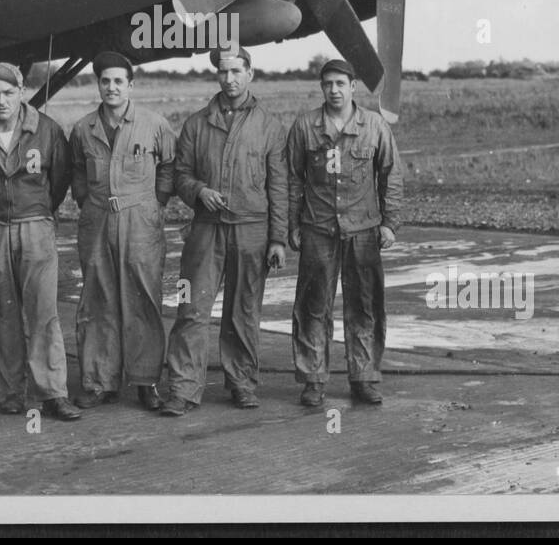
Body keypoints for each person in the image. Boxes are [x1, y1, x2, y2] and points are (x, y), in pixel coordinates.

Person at [161, 46, 287, 416]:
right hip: (206, 230)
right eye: (223, 72)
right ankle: (183, 389)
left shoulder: (270, 126)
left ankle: (242, 384)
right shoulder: (197, 123)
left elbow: (279, 187)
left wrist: (278, 238)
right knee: (191, 309)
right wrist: (199, 191)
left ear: (250, 73)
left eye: (236, 71)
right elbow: (180, 174)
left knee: (244, 311)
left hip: (252, 231)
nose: (229, 79)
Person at [0, 62, 81, 421]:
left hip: (35, 227)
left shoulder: (46, 130)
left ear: (22, 92)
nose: (1, 100)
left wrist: (37, 210)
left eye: (9, 93)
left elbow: (60, 179)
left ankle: (53, 392)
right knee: (0, 311)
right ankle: (12, 390)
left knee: (44, 312)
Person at [285, 59, 404, 408]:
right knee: (312, 306)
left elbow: (391, 175)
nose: (334, 90)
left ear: (353, 87)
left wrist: (389, 223)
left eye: (340, 83)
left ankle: (364, 377)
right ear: (321, 88)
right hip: (318, 229)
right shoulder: (306, 126)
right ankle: (313, 379)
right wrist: (292, 225)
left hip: (363, 230)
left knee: (364, 306)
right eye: (327, 84)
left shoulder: (375, 126)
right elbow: (292, 179)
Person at [68, 50, 176, 410]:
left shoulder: (154, 124)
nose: (111, 88)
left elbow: (169, 167)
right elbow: (78, 174)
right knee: (98, 298)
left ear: (131, 85)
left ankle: (146, 382)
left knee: (142, 298)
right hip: (98, 219)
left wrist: (155, 203)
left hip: (139, 221)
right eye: (105, 81)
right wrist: (88, 203)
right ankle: (100, 381)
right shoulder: (84, 128)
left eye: (118, 81)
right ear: (98, 84)